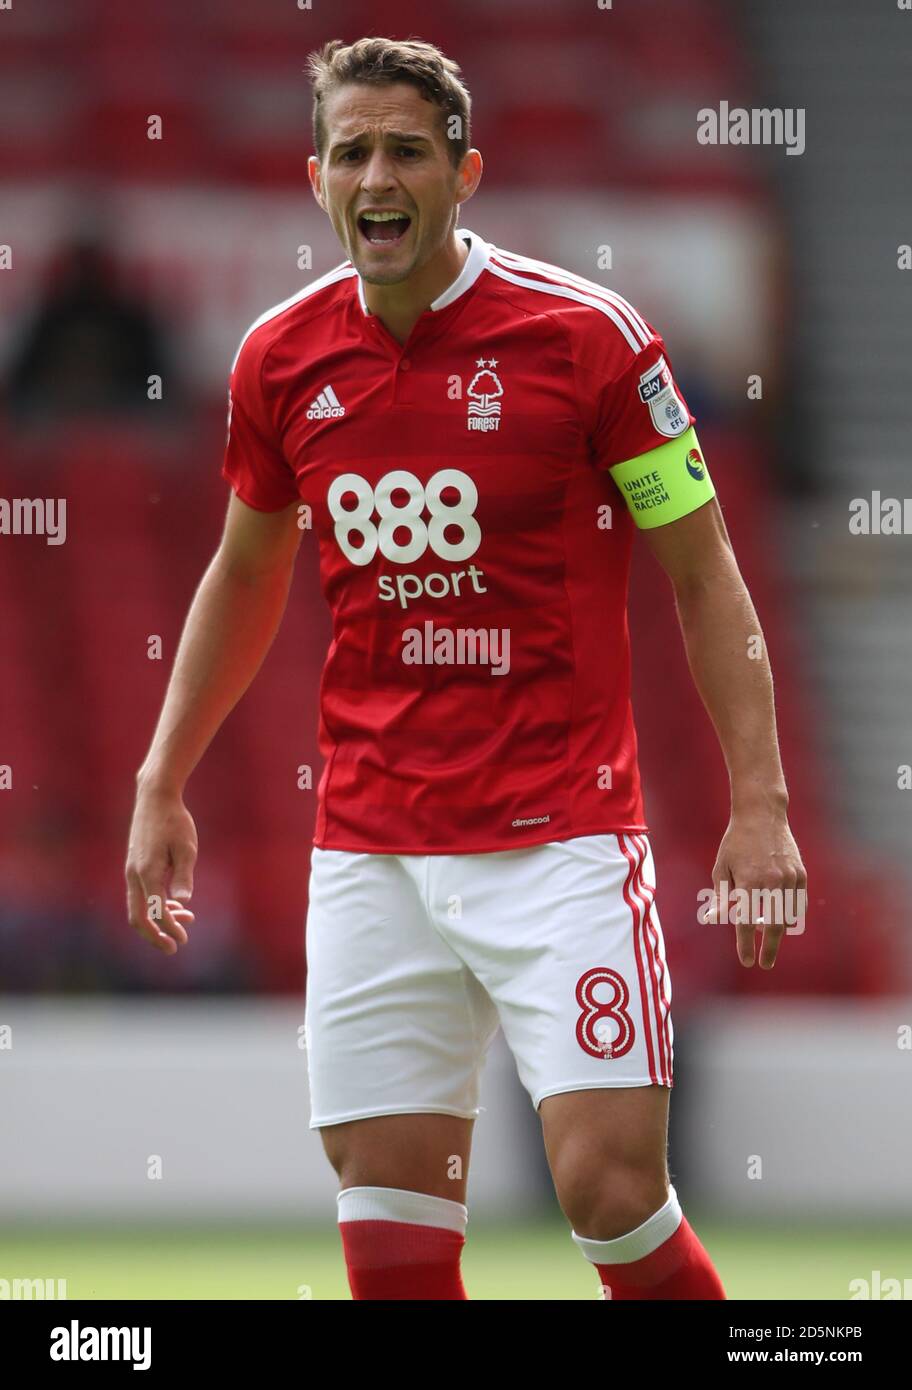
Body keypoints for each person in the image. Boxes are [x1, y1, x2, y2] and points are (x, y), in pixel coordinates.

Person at [125, 36, 806, 1301]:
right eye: (351, 152)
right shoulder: (279, 360)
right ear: (316, 176)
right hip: (372, 851)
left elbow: (706, 574)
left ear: (466, 173)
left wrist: (757, 803)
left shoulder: (592, 343)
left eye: (406, 151)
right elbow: (244, 571)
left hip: (562, 845)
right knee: (388, 1243)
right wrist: (164, 777)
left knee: (609, 1194)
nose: (376, 175)